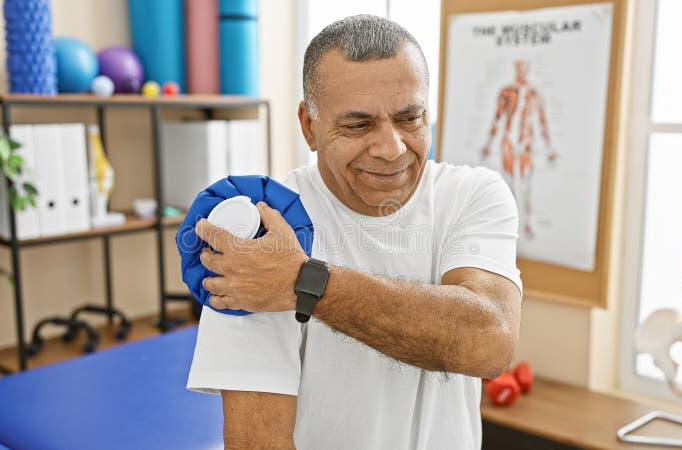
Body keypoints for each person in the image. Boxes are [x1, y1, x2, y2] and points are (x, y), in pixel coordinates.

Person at [187, 14, 522, 450]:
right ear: (310, 126)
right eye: (358, 125)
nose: (392, 148)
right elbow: (257, 441)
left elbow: (488, 343)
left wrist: (302, 282)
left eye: (409, 118)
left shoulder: (473, 194)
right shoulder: (260, 231)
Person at [481, 59, 557, 238]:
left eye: (524, 69)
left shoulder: (534, 94)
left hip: (525, 143)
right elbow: (497, 119)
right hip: (508, 140)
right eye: (519, 68)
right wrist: (488, 145)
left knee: (525, 184)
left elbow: (542, 121)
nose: (521, 72)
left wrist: (549, 149)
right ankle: (509, 226)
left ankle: (528, 223)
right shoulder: (507, 92)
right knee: (508, 183)